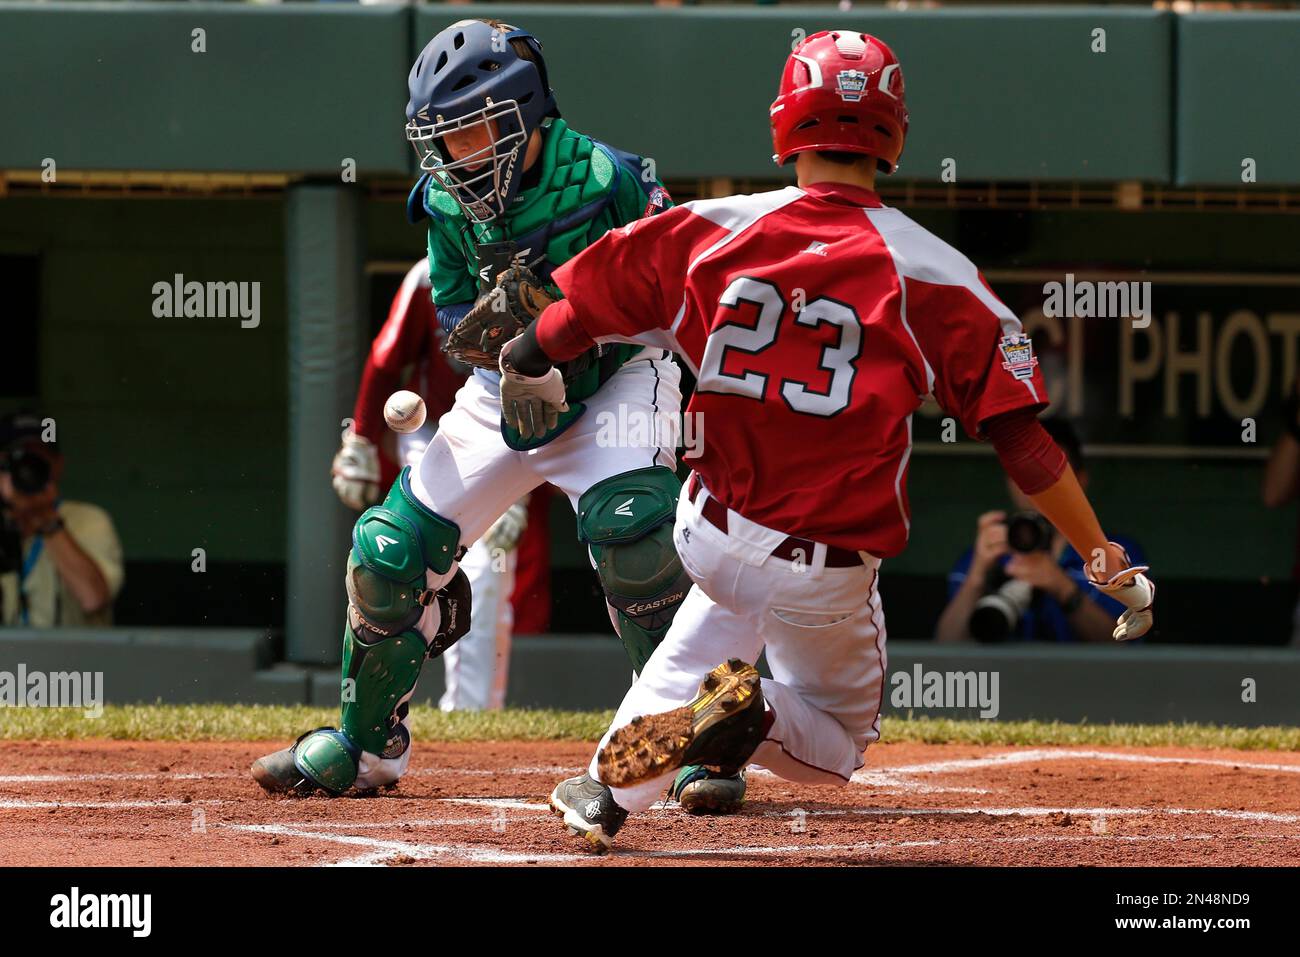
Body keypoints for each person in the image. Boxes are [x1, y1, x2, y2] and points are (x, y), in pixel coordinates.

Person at [494, 29, 1157, 851]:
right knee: (837, 747)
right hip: (822, 570)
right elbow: (1022, 442)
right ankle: (753, 711)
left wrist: (529, 362)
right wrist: (1100, 555)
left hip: (707, 531)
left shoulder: (708, 229)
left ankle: (607, 790)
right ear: (893, 133)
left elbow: (571, 319)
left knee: (709, 629)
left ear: (786, 122)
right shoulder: (938, 272)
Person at [250, 18, 747, 813]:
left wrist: (577, 327)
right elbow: (453, 323)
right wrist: (504, 345)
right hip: (507, 385)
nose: (455, 158)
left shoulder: (608, 178)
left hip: (619, 374)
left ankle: (696, 742)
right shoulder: (446, 202)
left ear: (524, 111)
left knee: (633, 539)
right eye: (442, 140)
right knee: (388, 551)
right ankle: (368, 744)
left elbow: (674, 280)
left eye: (472, 132)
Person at [329, 257, 529, 709]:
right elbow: (385, 360)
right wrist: (359, 440)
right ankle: (383, 707)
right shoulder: (427, 276)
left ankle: (472, 711)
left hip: (509, 432)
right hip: (433, 432)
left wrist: (520, 481)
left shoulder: (536, 269)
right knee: (404, 560)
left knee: (489, 566)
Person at [935, 418, 1146, 643]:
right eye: (1023, 473)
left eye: (1052, 473)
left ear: (1080, 480)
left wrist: (1062, 587)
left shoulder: (1116, 554)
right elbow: (947, 648)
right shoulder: (989, 553)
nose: (1036, 486)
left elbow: (1127, 654)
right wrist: (977, 577)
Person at [0, 412, 124, 627]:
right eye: (17, 462)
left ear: (57, 465)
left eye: (36, 462)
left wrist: (48, 520)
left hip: (72, 659)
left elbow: (93, 599)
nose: (26, 472)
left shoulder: (90, 520)